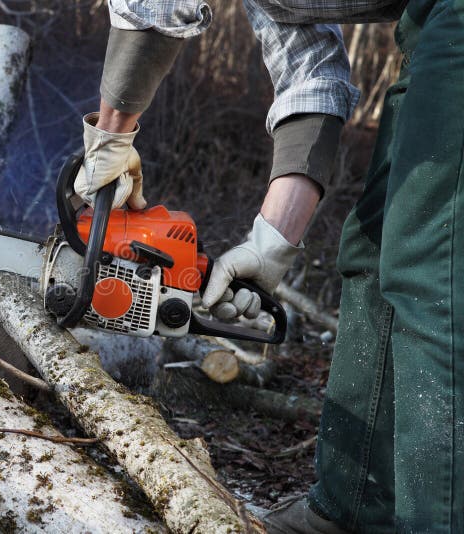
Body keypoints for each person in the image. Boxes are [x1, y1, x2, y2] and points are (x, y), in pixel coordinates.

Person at [74, 1, 464, 532]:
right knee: (374, 248)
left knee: (430, 268)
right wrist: (272, 241)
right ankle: (352, 508)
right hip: (430, 21)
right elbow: (311, 76)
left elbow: (153, 8)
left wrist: (114, 132)